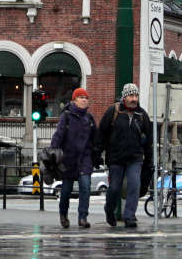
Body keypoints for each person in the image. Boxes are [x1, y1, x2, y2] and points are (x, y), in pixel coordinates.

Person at [96, 83, 152, 229]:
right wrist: (97, 154)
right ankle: (109, 210)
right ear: (124, 97)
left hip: (135, 158)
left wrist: (149, 160)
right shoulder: (113, 111)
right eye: (131, 96)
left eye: (136, 96)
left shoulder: (142, 115)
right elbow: (101, 133)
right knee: (114, 188)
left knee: (134, 185)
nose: (134, 99)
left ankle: (129, 216)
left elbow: (149, 140)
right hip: (116, 158)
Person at [49, 87, 98, 227]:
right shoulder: (67, 116)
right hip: (68, 158)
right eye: (81, 97)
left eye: (86, 98)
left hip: (85, 158)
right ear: (74, 100)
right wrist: (54, 151)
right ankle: (63, 215)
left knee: (85, 186)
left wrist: (96, 154)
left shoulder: (89, 118)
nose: (84, 100)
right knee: (65, 190)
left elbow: (95, 138)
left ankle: (82, 217)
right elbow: (59, 134)